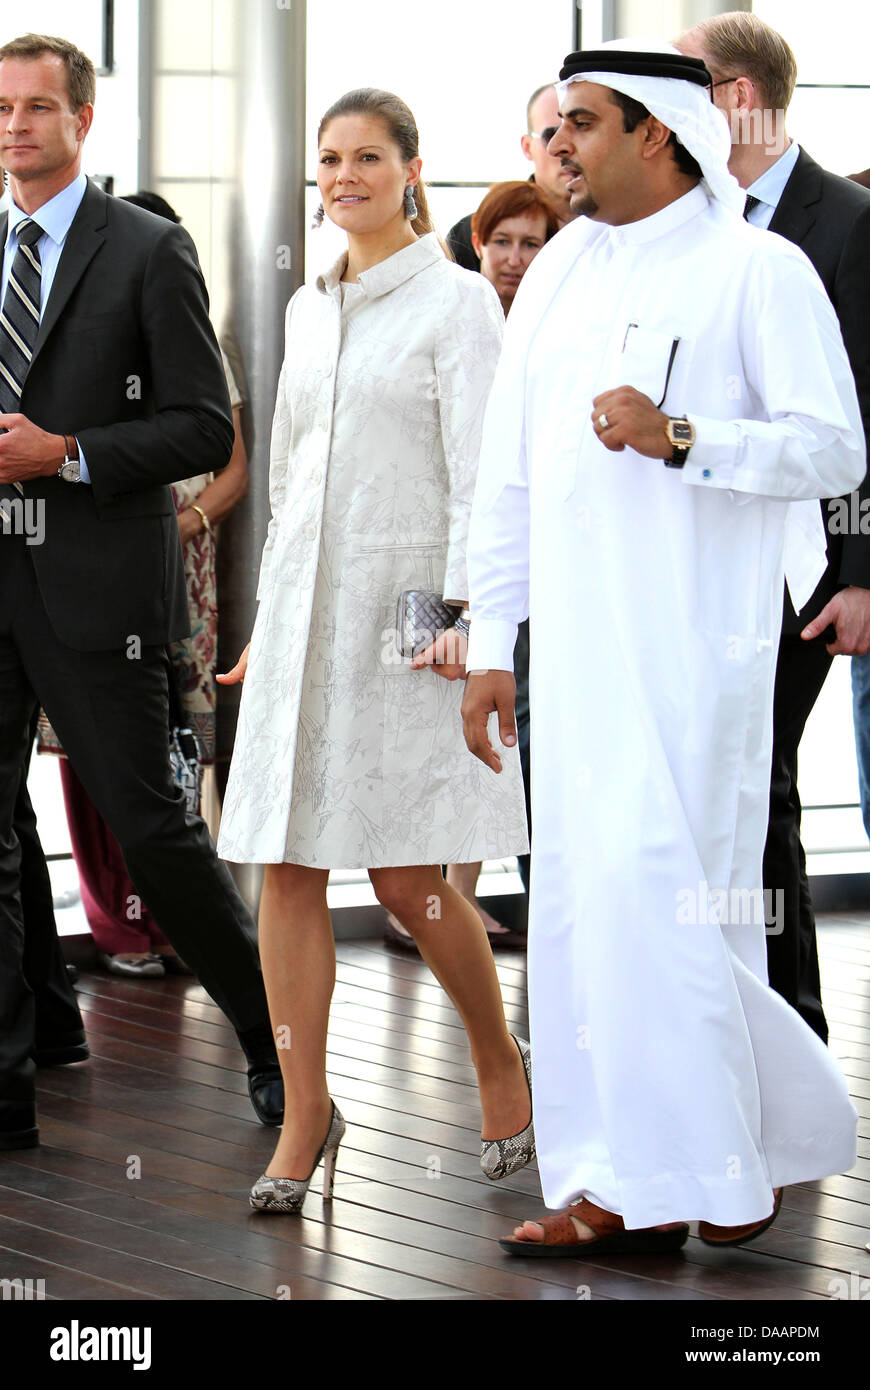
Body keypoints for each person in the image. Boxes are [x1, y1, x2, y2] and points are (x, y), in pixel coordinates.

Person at [461, 39, 861, 1256]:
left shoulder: (760, 270)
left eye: (582, 122)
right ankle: (618, 1181)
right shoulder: (566, 270)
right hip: (572, 664)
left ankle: (718, 1158)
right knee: (584, 915)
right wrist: (491, 640)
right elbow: (507, 474)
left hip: (701, 657)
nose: (559, 144)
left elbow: (832, 450)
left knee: (678, 906)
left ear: (658, 132)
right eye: (557, 123)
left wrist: (684, 434)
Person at [217, 87, 531, 1212]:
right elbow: (293, 483)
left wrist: (455, 627)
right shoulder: (309, 306)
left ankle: (501, 1062)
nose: (343, 176)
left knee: (409, 875)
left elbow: (484, 477)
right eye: (330, 160)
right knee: (286, 863)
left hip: (413, 626)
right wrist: (267, 625)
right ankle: (306, 1113)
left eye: (366, 158)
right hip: (304, 617)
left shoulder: (456, 305)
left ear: (410, 169)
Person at [0, 32, 282, 1149]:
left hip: (98, 589)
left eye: (36, 106)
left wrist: (65, 452)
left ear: (83, 120)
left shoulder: (149, 250)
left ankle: (273, 1044)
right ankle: (9, 1080)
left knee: (156, 834)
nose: (15, 123)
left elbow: (203, 428)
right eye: (2, 105)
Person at [678, 13, 870, 1044]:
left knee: (762, 778)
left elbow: (868, 410)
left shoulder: (842, 222)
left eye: (690, 82)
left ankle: (790, 1022)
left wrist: (864, 570)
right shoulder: (696, 225)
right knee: (730, 780)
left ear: (739, 95)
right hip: (705, 553)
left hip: (808, 566)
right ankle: (737, 1011)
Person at [39, 189, 251, 979]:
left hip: (153, 565)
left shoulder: (166, 283)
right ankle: (101, 950)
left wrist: (183, 520)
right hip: (42, 565)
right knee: (62, 783)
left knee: (162, 778)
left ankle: (252, 1015)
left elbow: (216, 439)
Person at [447, 82, 577, 271]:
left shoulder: (620, 230)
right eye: (552, 134)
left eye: (583, 129)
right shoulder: (470, 233)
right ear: (527, 147)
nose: (566, 148)